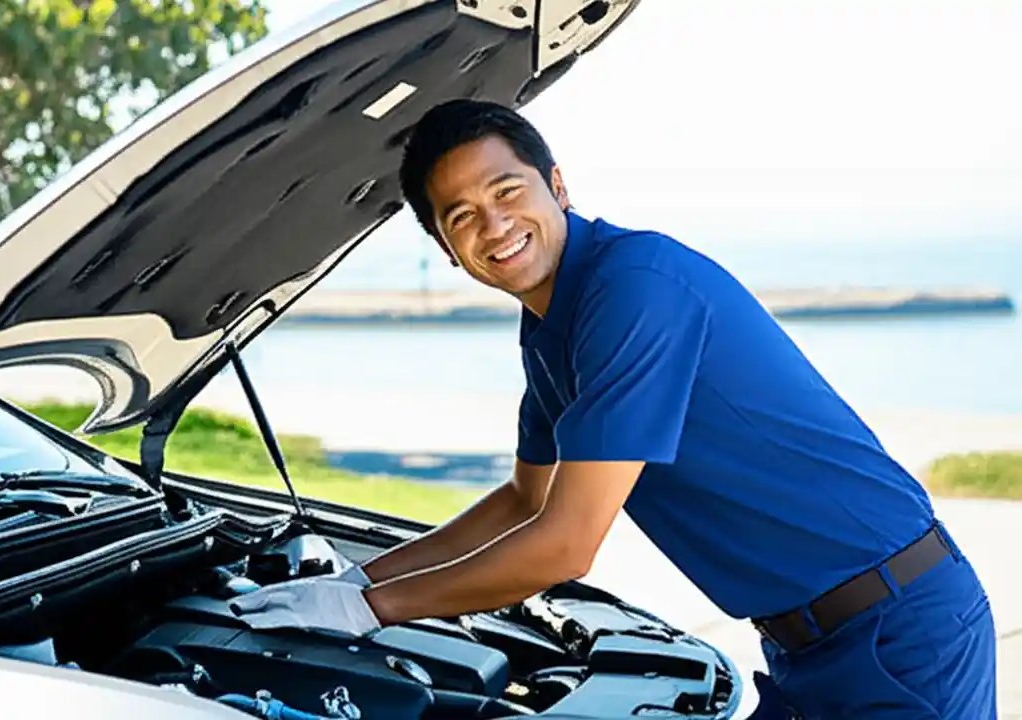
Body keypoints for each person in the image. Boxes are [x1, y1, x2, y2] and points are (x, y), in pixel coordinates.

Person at [230, 99, 998, 718]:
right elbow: (524, 500)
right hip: (806, 644)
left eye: (507, 191)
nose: (494, 225)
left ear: (557, 187)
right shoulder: (550, 329)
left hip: (900, 631)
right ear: (448, 250)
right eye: (461, 216)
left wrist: (372, 610)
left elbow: (564, 545)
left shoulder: (635, 288)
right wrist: (353, 582)